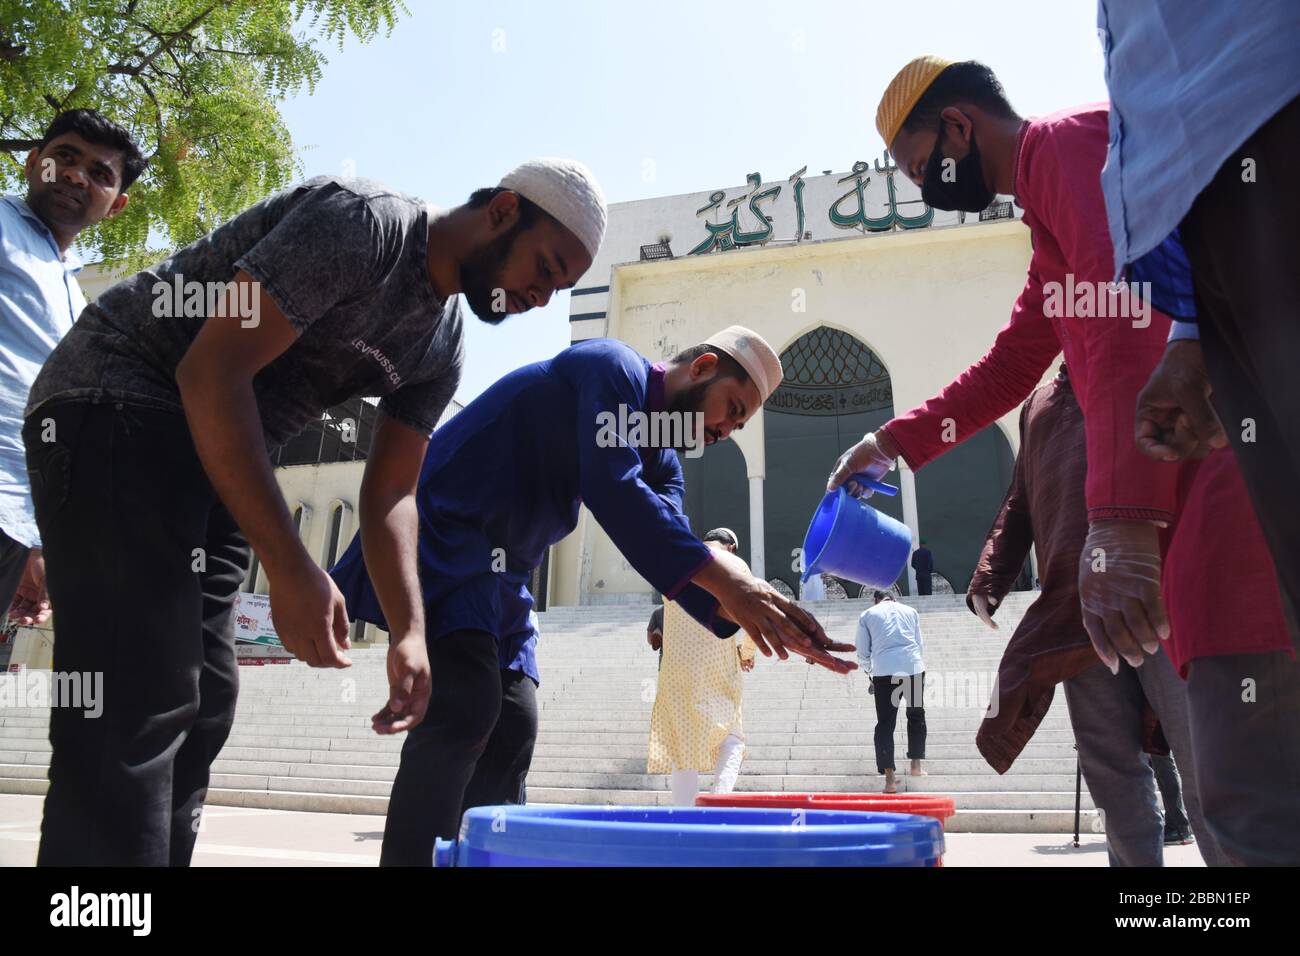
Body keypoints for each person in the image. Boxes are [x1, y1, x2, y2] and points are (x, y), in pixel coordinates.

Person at [26, 156, 608, 866]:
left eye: (559, 288)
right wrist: (290, 563)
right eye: (545, 269)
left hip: (212, 457)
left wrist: (411, 632)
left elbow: (391, 491)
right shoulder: (363, 225)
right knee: (138, 693)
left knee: (205, 702)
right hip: (118, 402)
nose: (540, 298)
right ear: (504, 211)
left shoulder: (441, 342)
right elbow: (210, 371)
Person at [331, 327, 857, 865]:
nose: (726, 429)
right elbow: (613, 485)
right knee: (466, 707)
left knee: (514, 722)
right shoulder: (612, 368)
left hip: (506, 577)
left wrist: (760, 614)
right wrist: (728, 582)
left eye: (738, 424)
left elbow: (670, 540)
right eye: (731, 407)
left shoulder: (664, 462)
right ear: (702, 367)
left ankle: (487, 856)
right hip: (448, 530)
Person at [1099, 1, 1300, 646]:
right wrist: (1190, 336)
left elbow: (1099, 340)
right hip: (1209, 201)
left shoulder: (1053, 149)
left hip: (1272, 111)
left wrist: (1121, 514)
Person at [966, 365, 1219, 866]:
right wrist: (990, 577)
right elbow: (1022, 496)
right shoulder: (1039, 405)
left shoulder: (1151, 366)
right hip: (1076, 613)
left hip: (1161, 601)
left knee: (1208, 767)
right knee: (1111, 775)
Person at [0, 110, 143, 627]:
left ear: (116, 206)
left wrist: (33, 539)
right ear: (33, 162)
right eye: (63, 156)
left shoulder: (68, 289)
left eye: (100, 174)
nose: (77, 175)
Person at [647, 528, 758, 806]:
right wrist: (746, 653)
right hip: (717, 664)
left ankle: (684, 815)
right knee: (733, 738)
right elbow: (749, 614)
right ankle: (718, 801)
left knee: (684, 746)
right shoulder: (734, 563)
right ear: (731, 546)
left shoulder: (677, 560)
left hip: (676, 670)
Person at [856, 590, 925, 794]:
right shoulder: (911, 611)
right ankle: (916, 766)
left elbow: (862, 650)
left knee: (885, 723)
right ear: (895, 598)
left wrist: (870, 671)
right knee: (916, 715)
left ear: (875, 600)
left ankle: (890, 779)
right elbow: (919, 644)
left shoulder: (868, 614)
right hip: (912, 668)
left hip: (884, 671)